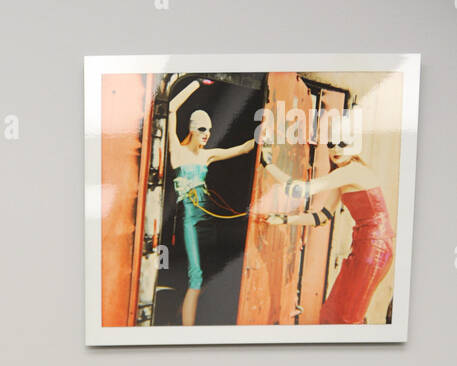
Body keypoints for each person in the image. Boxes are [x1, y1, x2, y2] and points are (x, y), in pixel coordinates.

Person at [259, 128, 394, 325]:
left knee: (346, 318)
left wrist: (268, 165)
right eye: (331, 144)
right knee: (332, 314)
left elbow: (304, 190)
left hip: (374, 248)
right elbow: (321, 217)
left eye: (343, 143)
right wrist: (285, 219)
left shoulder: (352, 171)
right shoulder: (342, 174)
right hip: (365, 247)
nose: (335, 149)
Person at [167, 79, 257, 326]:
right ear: (193, 130)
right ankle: (188, 334)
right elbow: (171, 109)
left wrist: (266, 130)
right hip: (190, 221)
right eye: (202, 130)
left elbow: (244, 149)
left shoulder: (208, 155)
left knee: (206, 275)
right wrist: (195, 84)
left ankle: (184, 316)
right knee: (195, 277)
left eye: (209, 130)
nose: (207, 135)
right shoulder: (179, 152)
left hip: (209, 218)